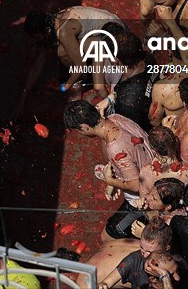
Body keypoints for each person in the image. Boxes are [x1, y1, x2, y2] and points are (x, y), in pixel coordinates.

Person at [64, 99, 154, 241]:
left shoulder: (115, 147)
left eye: (77, 130)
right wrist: (113, 182)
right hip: (151, 169)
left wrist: (110, 180)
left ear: (84, 127)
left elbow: (136, 185)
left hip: (143, 198)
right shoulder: (115, 118)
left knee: (106, 238)